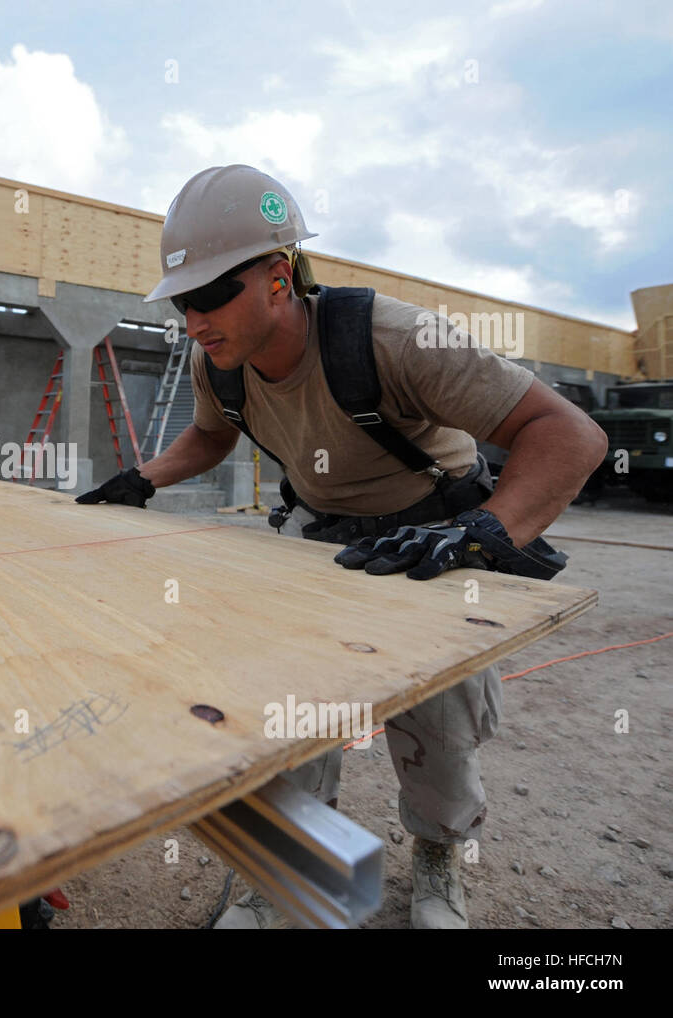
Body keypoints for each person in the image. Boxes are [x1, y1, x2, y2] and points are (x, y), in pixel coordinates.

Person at [76, 164, 607, 928]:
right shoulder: (217, 360)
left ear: (280, 278)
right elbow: (208, 434)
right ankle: (287, 867)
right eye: (184, 302)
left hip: (432, 541)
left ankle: (436, 860)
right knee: (288, 713)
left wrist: (486, 533)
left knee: (439, 723)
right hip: (320, 542)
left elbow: (568, 433)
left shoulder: (389, 339)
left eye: (210, 296)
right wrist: (140, 479)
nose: (194, 319)